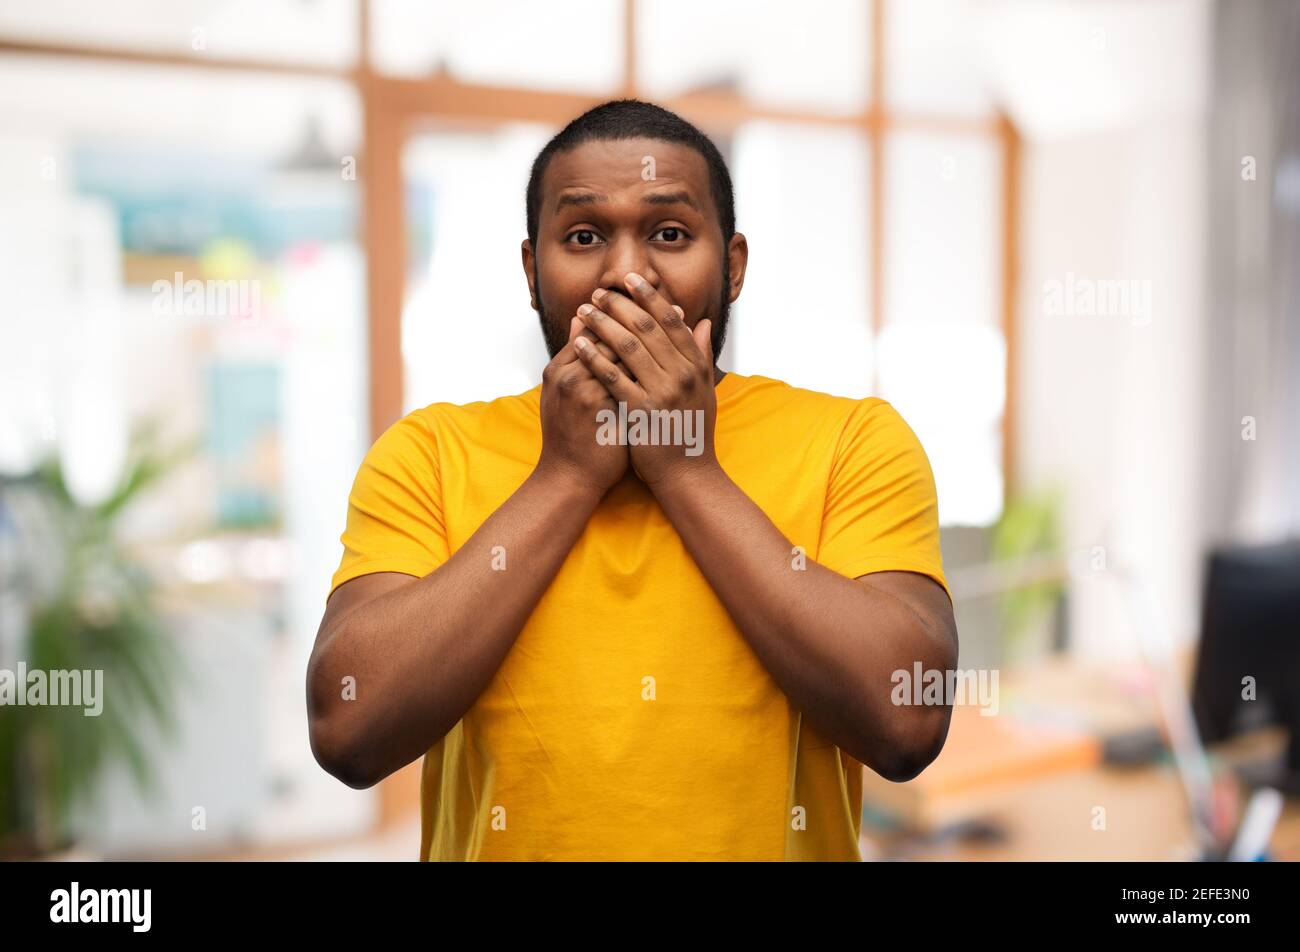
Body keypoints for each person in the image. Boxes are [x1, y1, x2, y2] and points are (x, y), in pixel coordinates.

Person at [307, 99, 958, 861]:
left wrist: (686, 468)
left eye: (670, 234)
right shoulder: (429, 452)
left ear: (734, 266)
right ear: (531, 269)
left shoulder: (853, 441)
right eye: (583, 236)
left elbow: (908, 721)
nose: (625, 273)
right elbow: (348, 732)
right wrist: (563, 478)